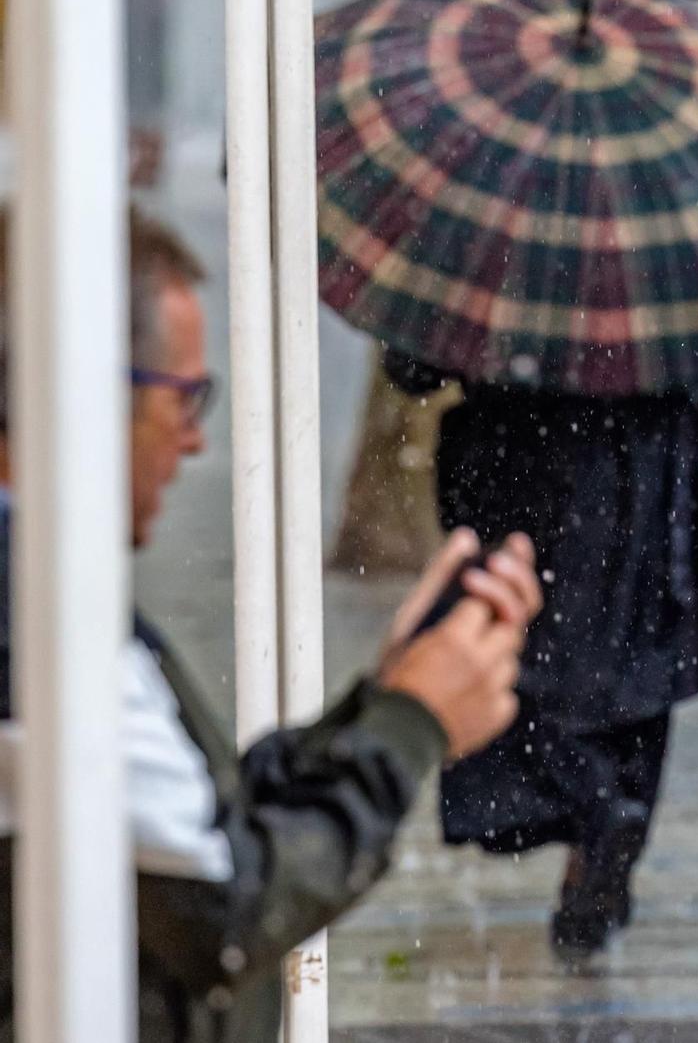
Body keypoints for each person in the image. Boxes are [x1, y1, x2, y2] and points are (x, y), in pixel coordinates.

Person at [0, 208, 543, 1041]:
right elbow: (227, 904)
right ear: (89, 396)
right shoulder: (33, 621)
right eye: (184, 399)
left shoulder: (41, 583)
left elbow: (188, 821)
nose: (191, 442)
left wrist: (386, 700)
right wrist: (409, 723)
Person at [385, 353, 698, 961]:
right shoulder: (665, 278)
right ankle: (608, 825)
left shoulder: (503, 268)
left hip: (524, 458)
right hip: (653, 464)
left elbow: (415, 365)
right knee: (636, 681)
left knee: (517, 660)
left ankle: (597, 806)